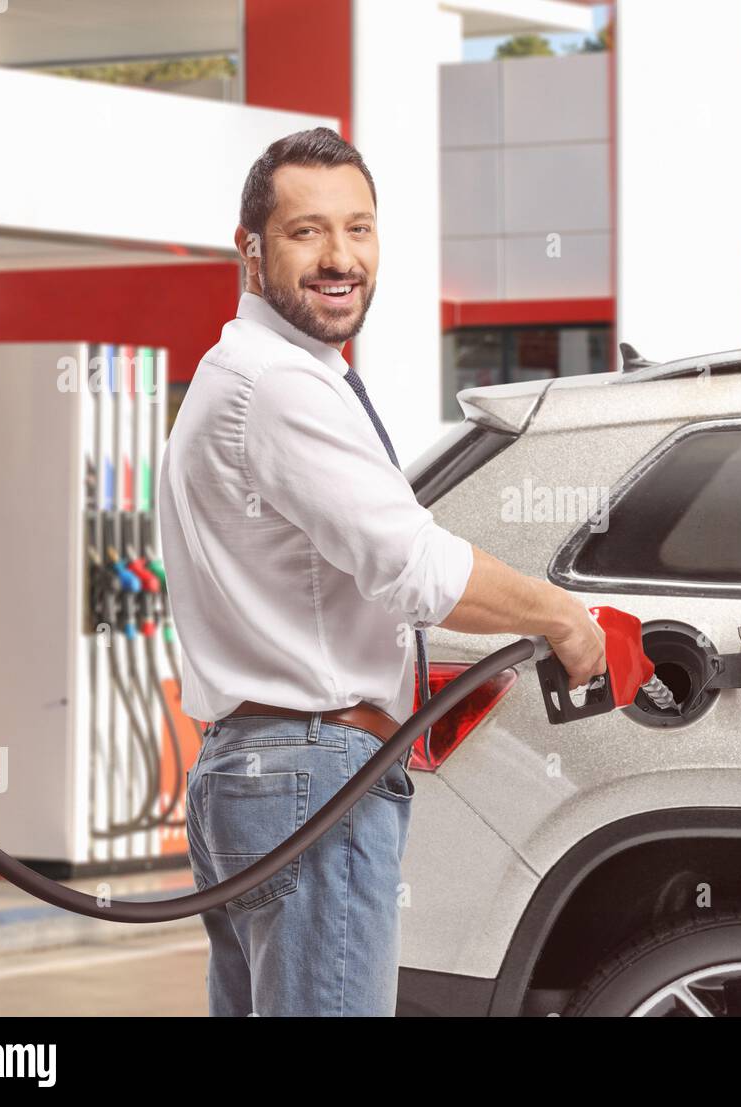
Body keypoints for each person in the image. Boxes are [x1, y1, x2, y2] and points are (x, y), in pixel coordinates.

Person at [158, 127, 605, 1016]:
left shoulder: (244, 373)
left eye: (359, 229)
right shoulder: (276, 384)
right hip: (309, 770)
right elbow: (412, 565)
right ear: (250, 251)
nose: (340, 257)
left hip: (256, 772)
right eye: (307, 231)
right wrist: (559, 616)